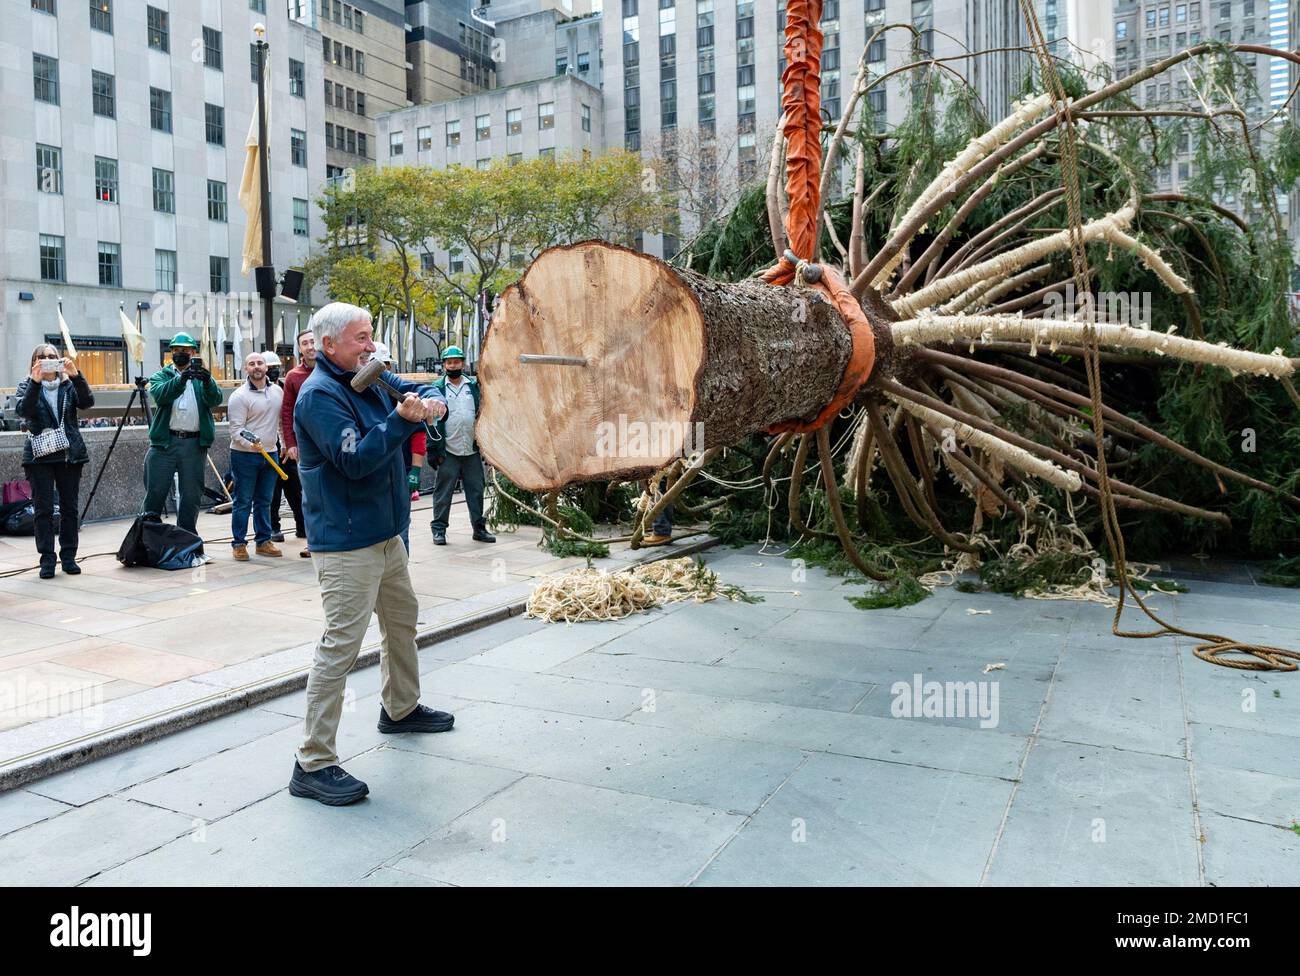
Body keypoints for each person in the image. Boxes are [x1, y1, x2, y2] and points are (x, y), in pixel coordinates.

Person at [288, 302, 451, 806]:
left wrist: (430, 400)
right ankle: (312, 763)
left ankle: (400, 709)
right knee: (341, 645)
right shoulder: (318, 396)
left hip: (387, 533)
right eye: (361, 337)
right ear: (329, 344)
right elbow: (354, 459)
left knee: (402, 620)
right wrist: (404, 422)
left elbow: (414, 390)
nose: (371, 345)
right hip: (345, 543)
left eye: (371, 335)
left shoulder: (371, 373)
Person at [15, 344, 94, 578]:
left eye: (52, 357)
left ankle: (69, 557)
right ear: (34, 362)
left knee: (70, 509)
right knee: (43, 510)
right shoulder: (26, 384)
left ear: (59, 360)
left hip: (69, 454)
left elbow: (87, 402)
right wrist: (35, 382)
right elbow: (24, 409)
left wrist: (76, 375)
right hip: (39, 456)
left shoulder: (68, 384)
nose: (47, 360)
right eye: (42, 357)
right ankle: (47, 560)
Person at [142, 333, 223, 536]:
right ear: (171, 353)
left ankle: (186, 539)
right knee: (155, 492)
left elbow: (215, 400)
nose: (180, 353)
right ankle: (148, 537)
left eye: (185, 350)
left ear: (193, 352)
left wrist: (207, 381)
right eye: (176, 350)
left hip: (194, 444)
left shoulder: (203, 377)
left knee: (191, 495)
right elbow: (160, 396)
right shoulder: (161, 375)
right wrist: (181, 380)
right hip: (165, 443)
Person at [428, 345, 495, 546]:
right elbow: (430, 420)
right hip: (448, 450)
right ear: (444, 365)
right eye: (449, 362)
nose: (453, 365)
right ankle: (439, 529)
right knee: (443, 492)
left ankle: (479, 528)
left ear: (462, 363)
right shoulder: (437, 388)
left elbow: (484, 414)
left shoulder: (473, 386)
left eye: (456, 361)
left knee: (476, 490)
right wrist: (432, 448)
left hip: (471, 449)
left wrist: (486, 445)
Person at [226, 352, 285, 560]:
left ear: (266, 367)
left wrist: (284, 445)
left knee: (264, 501)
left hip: (271, 454)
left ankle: (263, 541)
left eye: (260, 363)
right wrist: (249, 445)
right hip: (244, 456)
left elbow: (280, 423)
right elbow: (235, 430)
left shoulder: (278, 391)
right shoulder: (239, 396)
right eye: (252, 364)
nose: (257, 367)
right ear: (246, 369)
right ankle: (239, 543)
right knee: (243, 500)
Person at [279, 329, 315, 557]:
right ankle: (315, 541)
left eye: (313, 341)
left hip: (336, 442)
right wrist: (290, 443)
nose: (310, 346)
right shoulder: (293, 377)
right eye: (305, 343)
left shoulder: (335, 369)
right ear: (299, 349)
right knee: (311, 496)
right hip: (307, 447)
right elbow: (286, 412)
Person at [262, 351, 302, 544]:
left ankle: (302, 526)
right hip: (268, 444)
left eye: (275, 368)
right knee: (272, 491)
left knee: (295, 488)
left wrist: (289, 443)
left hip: (287, 443)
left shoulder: (287, 386)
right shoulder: (257, 390)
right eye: (270, 368)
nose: (273, 371)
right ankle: (273, 528)